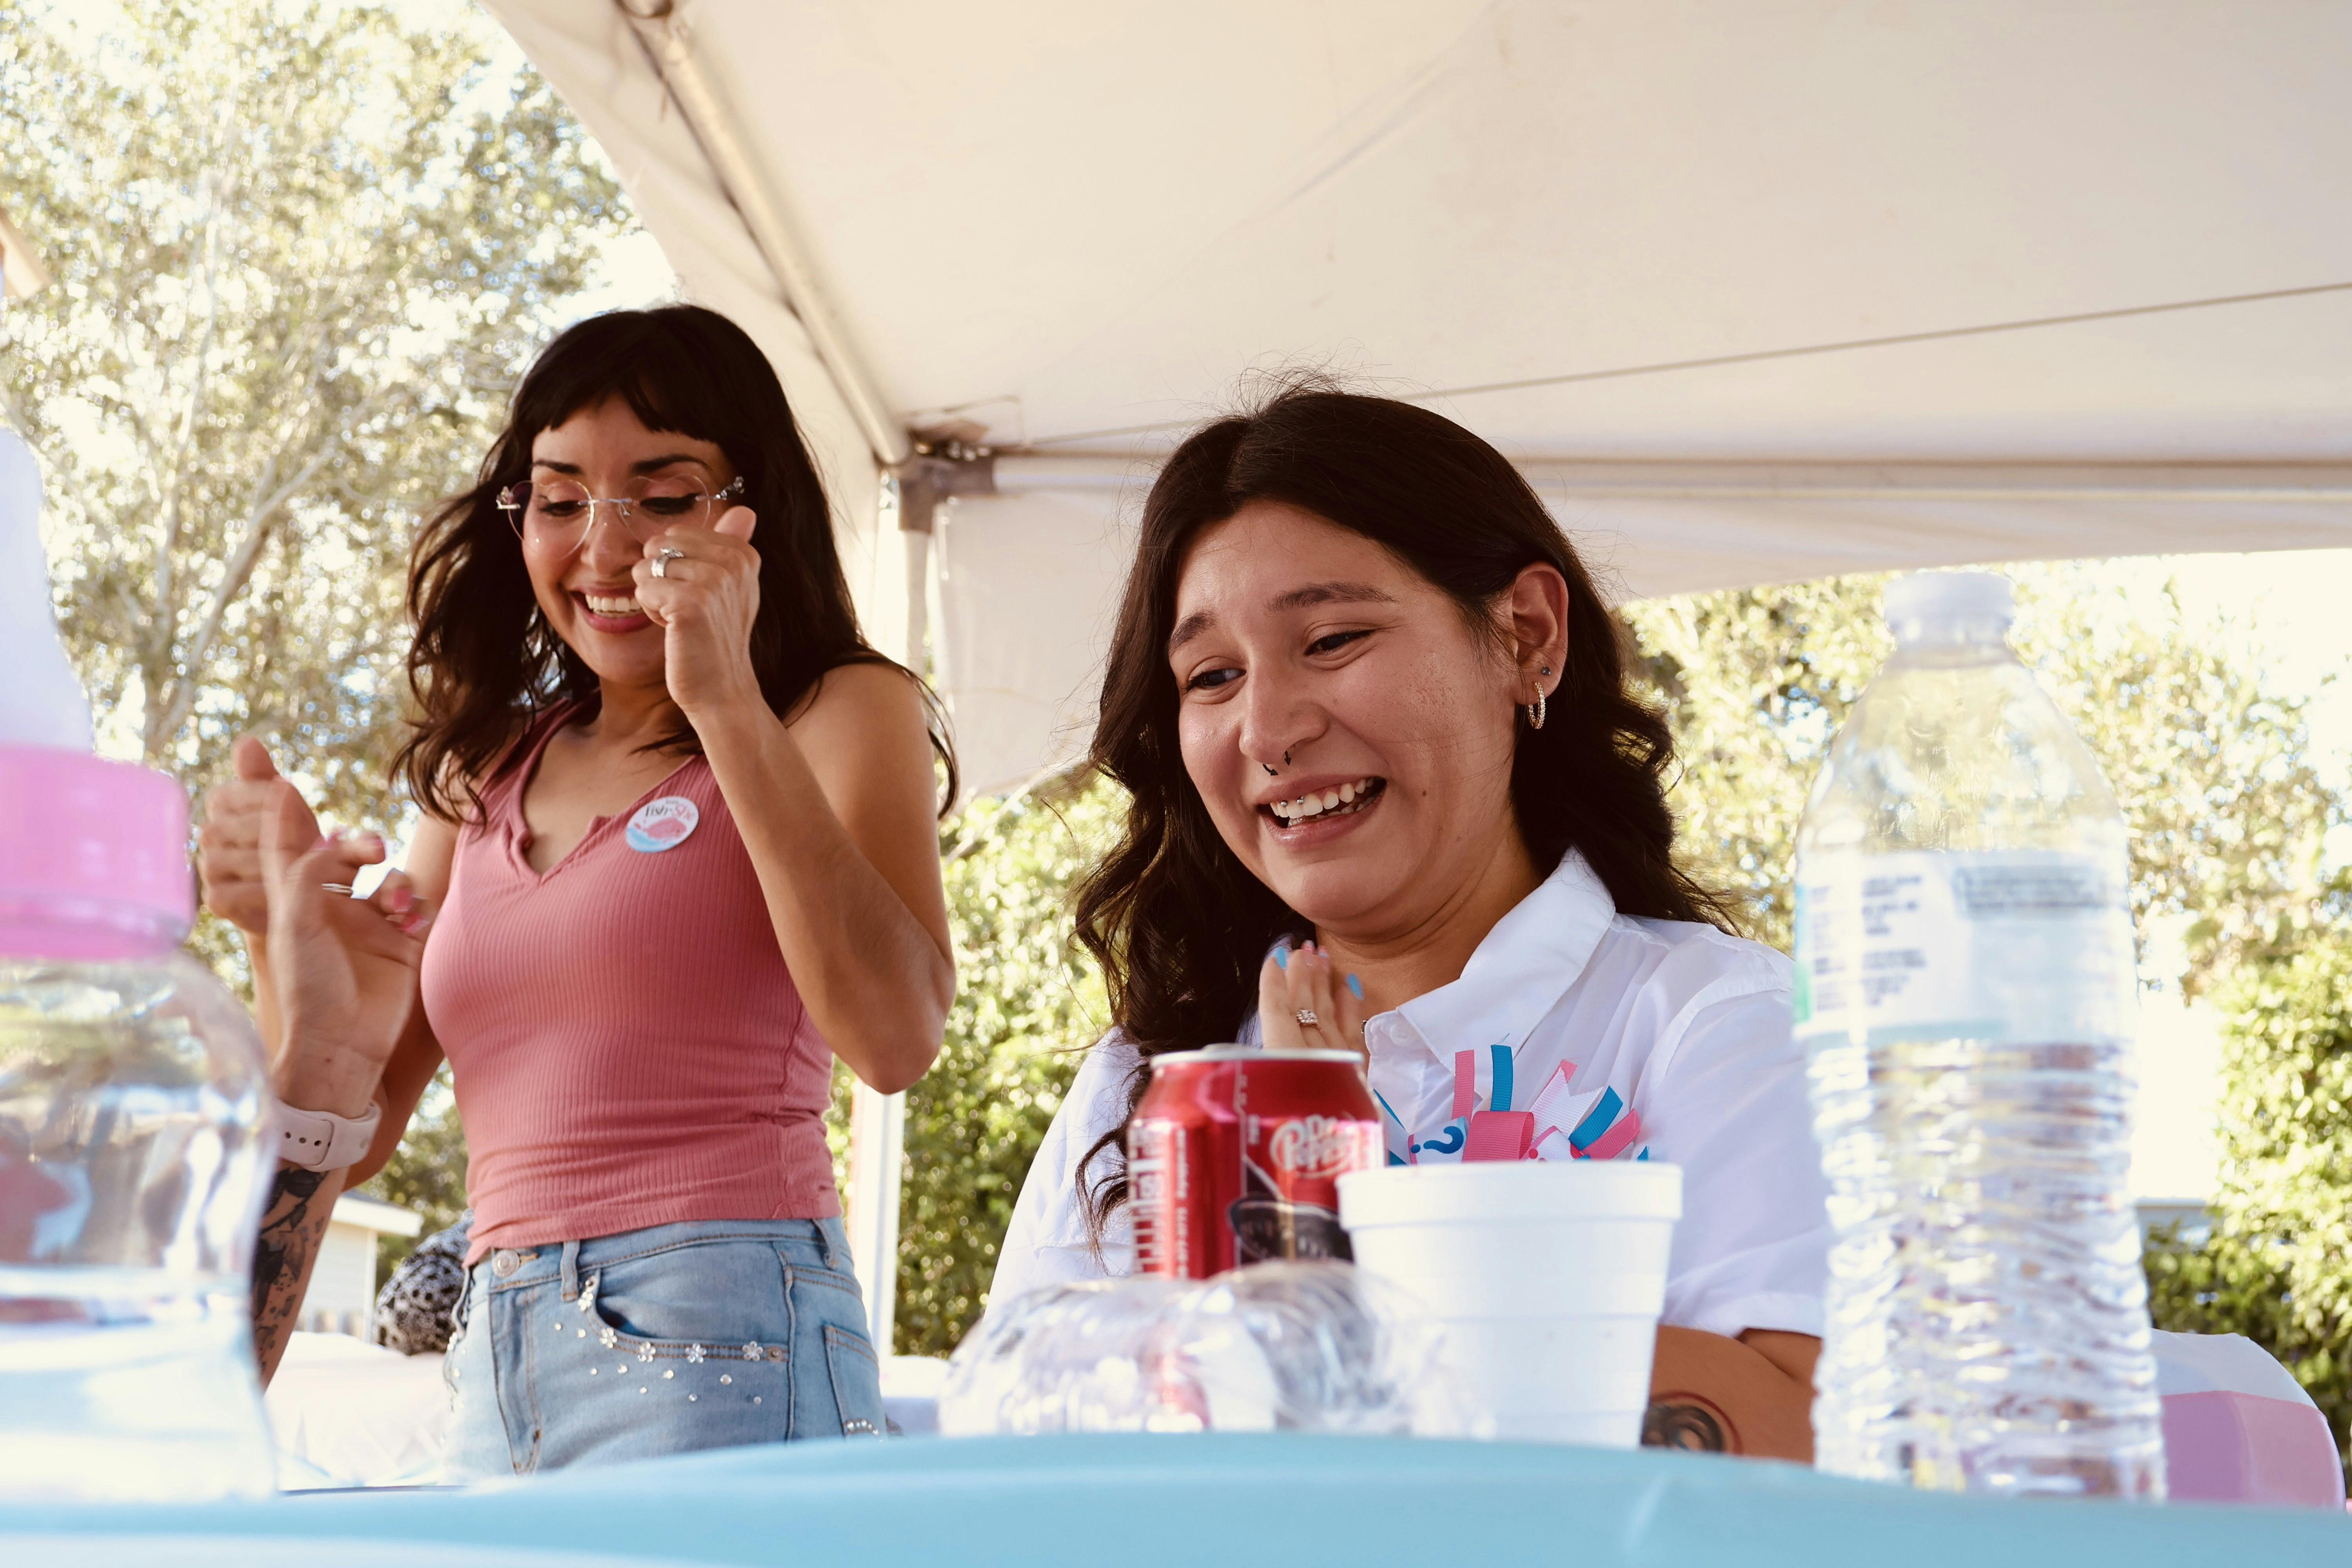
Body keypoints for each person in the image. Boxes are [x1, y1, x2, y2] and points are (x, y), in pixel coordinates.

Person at [993, 383, 1832, 1461]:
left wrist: (1330, 1218)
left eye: (1334, 638)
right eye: (1211, 675)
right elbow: (1030, 1442)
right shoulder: (1146, 1079)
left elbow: (1800, 1440)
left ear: (1527, 636)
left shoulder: (1714, 1027)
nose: (1271, 728)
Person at [199, 305, 956, 1475]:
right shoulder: (485, 768)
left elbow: (898, 1037)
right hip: (495, 1348)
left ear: (754, 515)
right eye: (558, 499)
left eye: (661, 496)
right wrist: (275, 946)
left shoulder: (837, 711)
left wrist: (725, 702)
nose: (603, 549)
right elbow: (349, 1136)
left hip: (728, 1318)